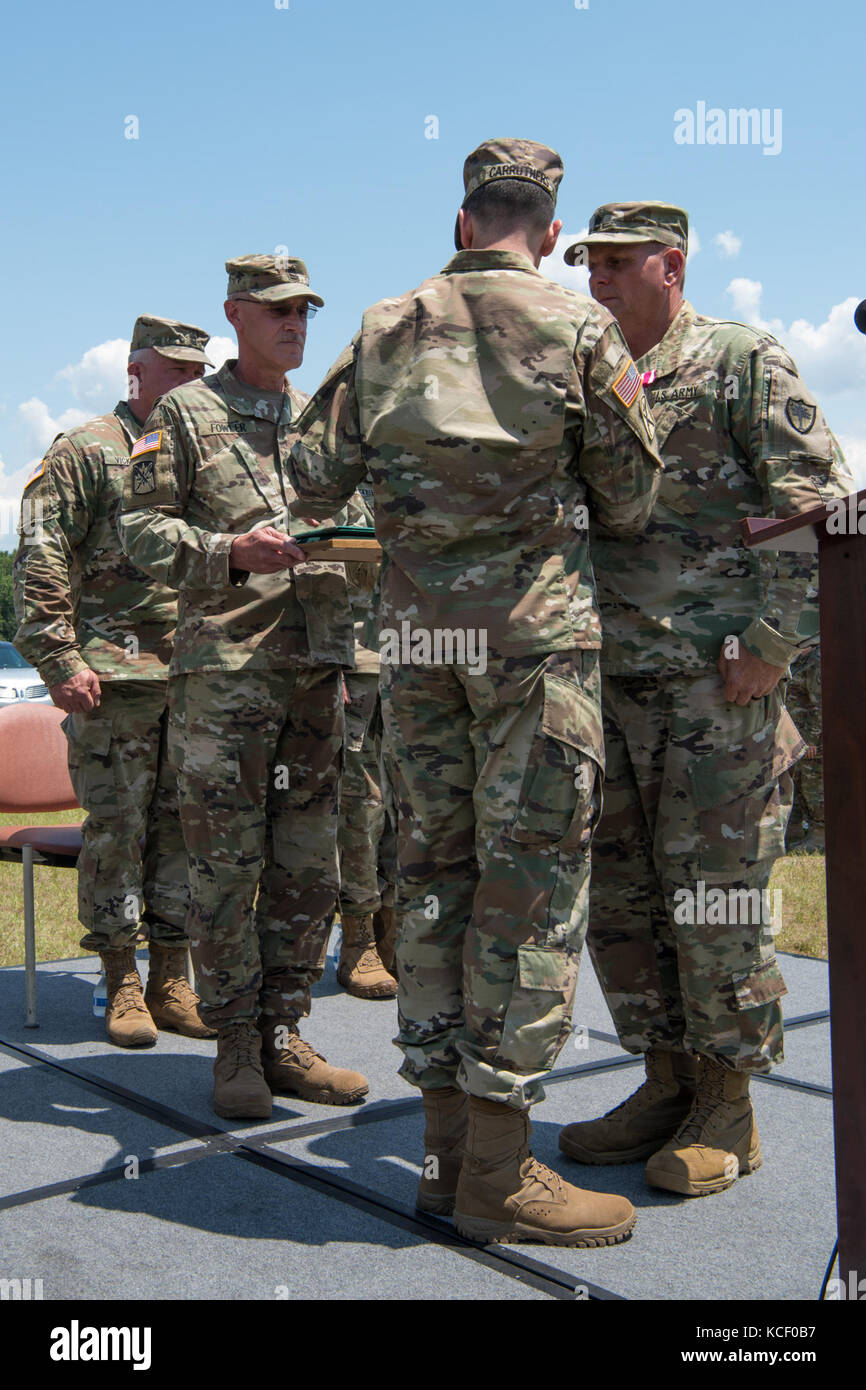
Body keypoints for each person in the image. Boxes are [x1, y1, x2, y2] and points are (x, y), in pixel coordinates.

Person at [288, 140, 663, 1246]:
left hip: (417, 647)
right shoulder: (578, 327)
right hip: (532, 650)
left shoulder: (380, 325)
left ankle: (447, 1157)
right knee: (532, 890)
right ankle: (501, 1171)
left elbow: (311, 479)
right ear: (549, 234)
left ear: (461, 223)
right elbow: (632, 493)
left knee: (435, 876)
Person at [556, 203, 853, 1196]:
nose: (593, 279)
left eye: (611, 262)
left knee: (714, 903)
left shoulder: (738, 361)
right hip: (610, 689)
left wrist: (769, 647)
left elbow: (819, 506)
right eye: (584, 263)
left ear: (669, 264)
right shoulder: (591, 382)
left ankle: (728, 1104)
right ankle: (662, 1080)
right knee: (625, 903)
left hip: (719, 694)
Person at [117, 255, 369, 1119]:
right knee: (226, 865)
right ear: (235, 313)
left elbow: (362, 523)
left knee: (308, 867)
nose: (294, 324)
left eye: (303, 310)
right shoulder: (186, 413)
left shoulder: (317, 422)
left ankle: (283, 1034)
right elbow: (139, 532)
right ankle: (233, 1046)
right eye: (276, 311)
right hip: (225, 678)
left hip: (315, 675)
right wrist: (228, 551)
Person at [13, 315, 216, 1047]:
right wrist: (59, 660)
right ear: (136, 370)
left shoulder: (205, 457)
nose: (191, 382)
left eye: (199, 370)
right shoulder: (88, 451)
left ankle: (172, 975)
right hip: (111, 677)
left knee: (183, 833)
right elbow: (40, 555)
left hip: (196, 677)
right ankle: (120, 979)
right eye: (175, 369)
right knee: (118, 831)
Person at [334, 490, 399, 1000]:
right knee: (362, 807)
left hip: (423, 659)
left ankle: (397, 932)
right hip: (354, 663)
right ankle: (359, 938)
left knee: (412, 804)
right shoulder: (326, 475)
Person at [786, 648, 824, 852]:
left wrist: (810, 740)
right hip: (795, 736)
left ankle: (820, 835)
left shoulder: (816, 659)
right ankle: (797, 831)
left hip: (812, 738)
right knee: (799, 780)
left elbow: (820, 705)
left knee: (813, 783)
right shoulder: (796, 658)